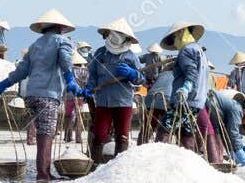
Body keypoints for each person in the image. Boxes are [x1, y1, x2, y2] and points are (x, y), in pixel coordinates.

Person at [0, 8, 76, 181]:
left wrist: (3, 84)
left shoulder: (35, 46)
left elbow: (21, 71)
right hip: (48, 95)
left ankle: (42, 171)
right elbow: (66, 61)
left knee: (40, 132)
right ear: (60, 28)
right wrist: (70, 79)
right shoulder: (62, 41)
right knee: (46, 134)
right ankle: (43, 174)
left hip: (31, 95)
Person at [163, 20, 224, 165]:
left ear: (180, 34)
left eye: (174, 39)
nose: (174, 42)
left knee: (165, 127)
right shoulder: (198, 50)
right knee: (186, 132)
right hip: (197, 100)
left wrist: (186, 87)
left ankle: (156, 164)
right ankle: (189, 165)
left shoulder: (186, 51)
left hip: (184, 100)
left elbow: (192, 72)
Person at [83, 17, 143, 163]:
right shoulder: (100, 53)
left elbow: (141, 78)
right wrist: (89, 87)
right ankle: (94, 165)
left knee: (122, 136)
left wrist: (132, 74)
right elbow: (92, 75)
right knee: (99, 135)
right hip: (103, 101)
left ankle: (118, 167)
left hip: (123, 101)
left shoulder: (130, 56)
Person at [207, 88, 245, 166]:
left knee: (218, 144)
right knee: (215, 142)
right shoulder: (237, 108)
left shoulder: (232, 110)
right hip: (209, 104)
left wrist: (243, 146)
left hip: (209, 106)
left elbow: (228, 135)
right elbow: (233, 134)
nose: (244, 121)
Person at [146, 49, 177, 142]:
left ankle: (141, 148)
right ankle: (160, 147)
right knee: (165, 128)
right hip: (166, 99)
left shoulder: (162, 74)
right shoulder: (178, 74)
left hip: (150, 98)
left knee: (148, 127)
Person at [64, 47, 88, 144]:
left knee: (68, 116)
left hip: (68, 96)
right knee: (79, 116)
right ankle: (79, 138)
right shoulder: (84, 71)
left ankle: (67, 136)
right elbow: (86, 83)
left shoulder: (67, 72)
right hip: (80, 96)